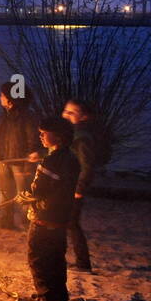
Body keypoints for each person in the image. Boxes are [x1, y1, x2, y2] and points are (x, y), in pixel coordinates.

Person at [17, 116, 81, 301]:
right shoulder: (71, 158)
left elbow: (38, 191)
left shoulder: (51, 161)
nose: (41, 135)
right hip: (61, 217)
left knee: (37, 256)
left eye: (45, 133)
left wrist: (23, 197)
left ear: (59, 137)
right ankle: (58, 295)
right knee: (55, 257)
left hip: (44, 216)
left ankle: (46, 298)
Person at [0, 82, 40, 230]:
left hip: (20, 161)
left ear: (10, 99)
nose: (0, 97)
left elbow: (33, 139)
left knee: (24, 194)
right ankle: (6, 222)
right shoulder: (4, 116)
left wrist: (30, 159)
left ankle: (26, 223)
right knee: (4, 192)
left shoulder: (28, 117)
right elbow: (0, 137)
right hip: (3, 159)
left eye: (2, 95)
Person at [62, 98, 105, 273]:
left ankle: (83, 263)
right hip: (65, 186)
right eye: (65, 111)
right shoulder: (70, 134)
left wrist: (79, 189)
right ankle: (74, 260)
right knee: (67, 223)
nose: (66, 115)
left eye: (72, 113)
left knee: (72, 223)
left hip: (74, 189)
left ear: (84, 117)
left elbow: (87, 166)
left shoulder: (82, 138)